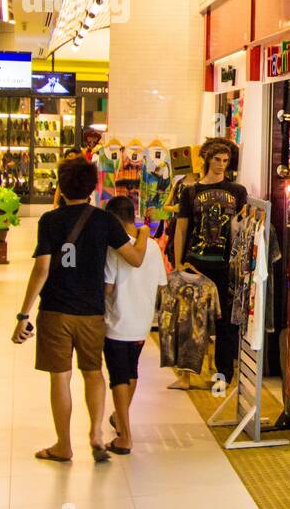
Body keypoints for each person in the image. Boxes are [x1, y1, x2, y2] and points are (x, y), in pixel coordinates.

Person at [12, 157, 150, 462]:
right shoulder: (105, 221)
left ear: (60, 186)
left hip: (55, 311)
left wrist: (23, 314)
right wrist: (143, 234)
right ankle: (96, 433)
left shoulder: (50, 221)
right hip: (91, 313)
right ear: (92, 187)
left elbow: (41, 270)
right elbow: (135, 259)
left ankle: (63, 444)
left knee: (60, 377)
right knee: (93, 373)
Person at [172, 138, 247, 389]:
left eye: (225, 160)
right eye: (217, 160)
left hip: (226, 264)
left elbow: (243, 228)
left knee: (225, 323)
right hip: (196, 261)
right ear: (207, 159)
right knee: (191, 320)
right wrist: (178, 261)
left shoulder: (237, 191)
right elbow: (182, 227)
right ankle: (185, 375)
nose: (221, 165)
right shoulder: (190, 190)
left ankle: (223, 375)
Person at [102, 195, 167, 454]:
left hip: (117, 321)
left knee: (118, 376)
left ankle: (125, 437)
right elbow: (162, 284)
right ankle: (120, 418)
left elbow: (107, 288)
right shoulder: (151, 246)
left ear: (114, 219)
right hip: (142, 322)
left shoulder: (114, 248)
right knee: (131, 371)